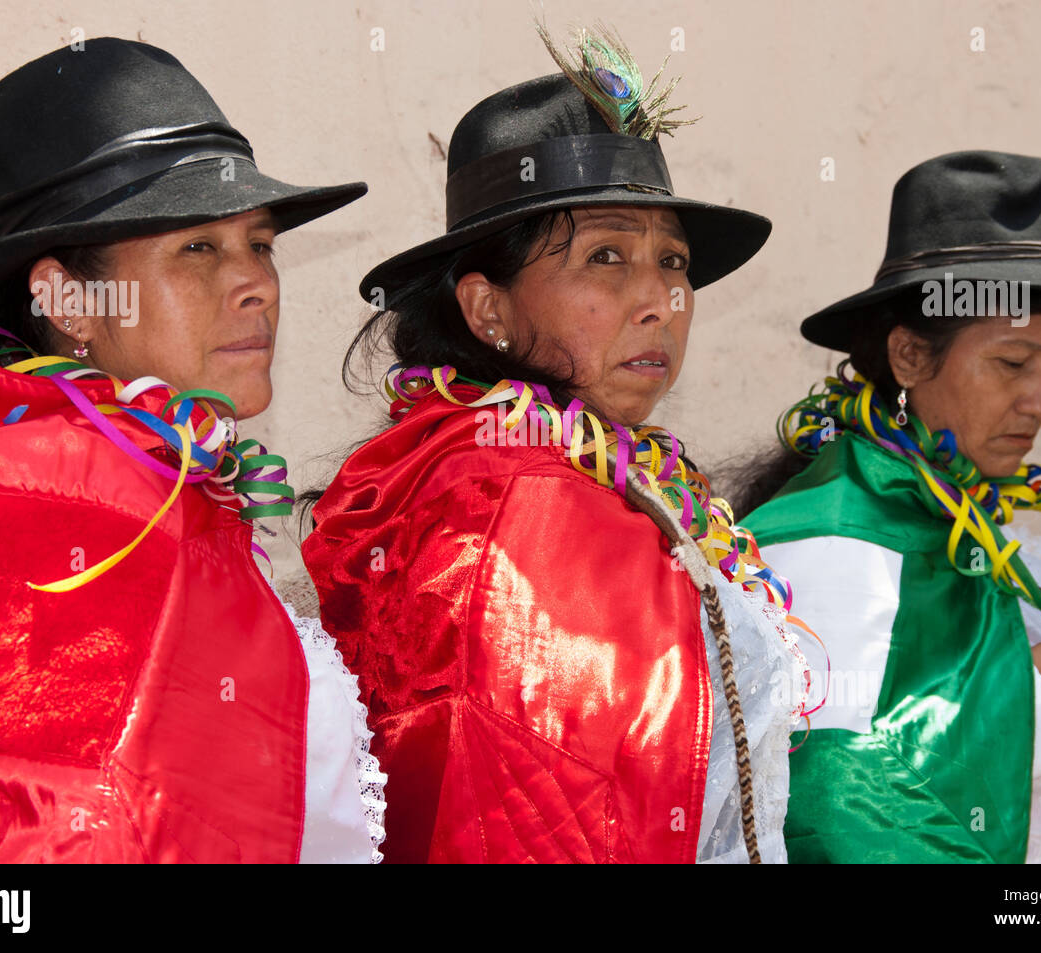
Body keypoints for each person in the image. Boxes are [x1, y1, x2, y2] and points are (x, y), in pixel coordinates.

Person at [302, 22, 811, 863]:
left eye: (673, 261)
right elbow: (533, 823)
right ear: (488, 310)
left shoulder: (577, 470)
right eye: (606, 256)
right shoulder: (521, 504)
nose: (660, 300)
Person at [0, 38, 384, 863]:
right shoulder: (67, 526)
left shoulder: (166, 487)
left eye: (259, 242)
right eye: (198, 248)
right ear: (70, 301)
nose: (257, 281)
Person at [739, 150, 1041, 863]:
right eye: (1012, 362)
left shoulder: (981, 534)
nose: (1040, 400)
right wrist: (1032, 690)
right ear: (909, 355)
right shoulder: (829, 542)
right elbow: (830, 803)